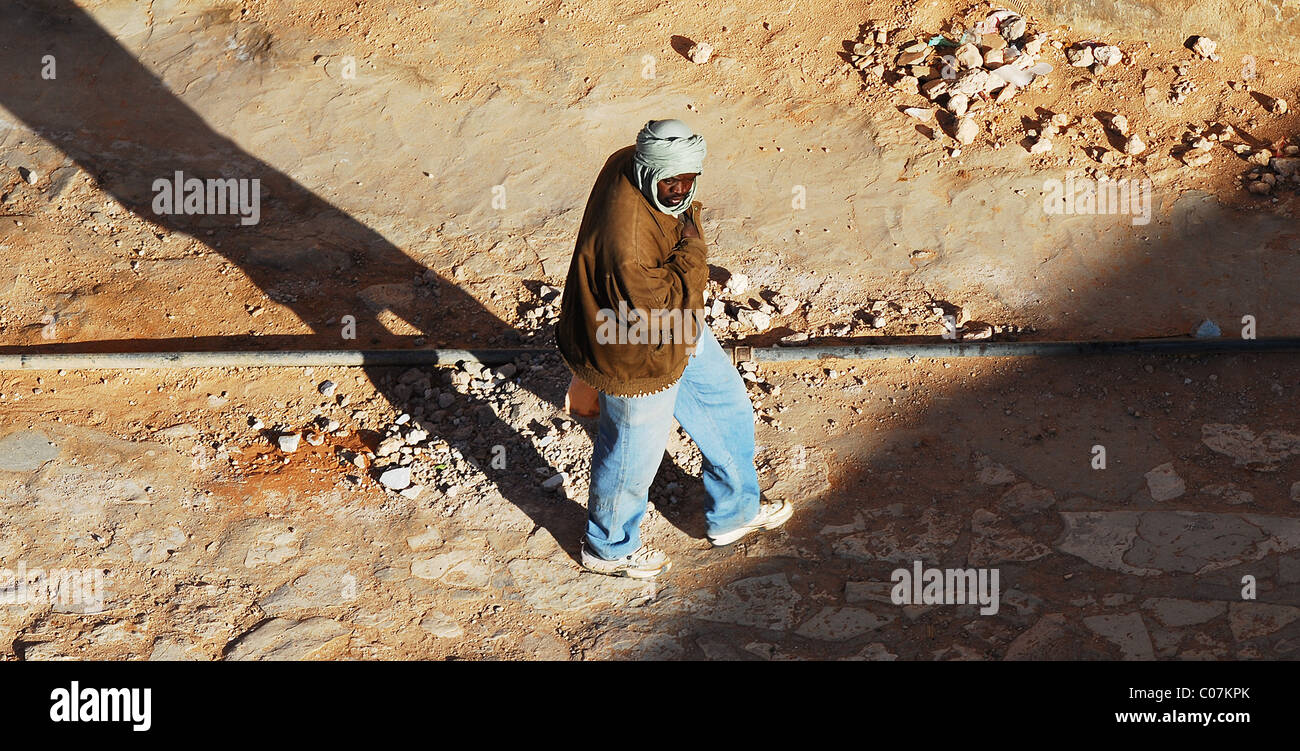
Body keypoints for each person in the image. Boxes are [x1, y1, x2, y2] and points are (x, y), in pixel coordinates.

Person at [556, 119, 793, 578]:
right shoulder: (627, 247)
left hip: (676, 329)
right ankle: (608, 549)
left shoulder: (631, 159)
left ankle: (736, 513)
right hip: (631, 352)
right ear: (649, 171)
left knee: (726, 407)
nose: (680, 190)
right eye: (670, 182)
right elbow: (657, 306)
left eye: (689, 180)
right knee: (631, 456)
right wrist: (693, 253)